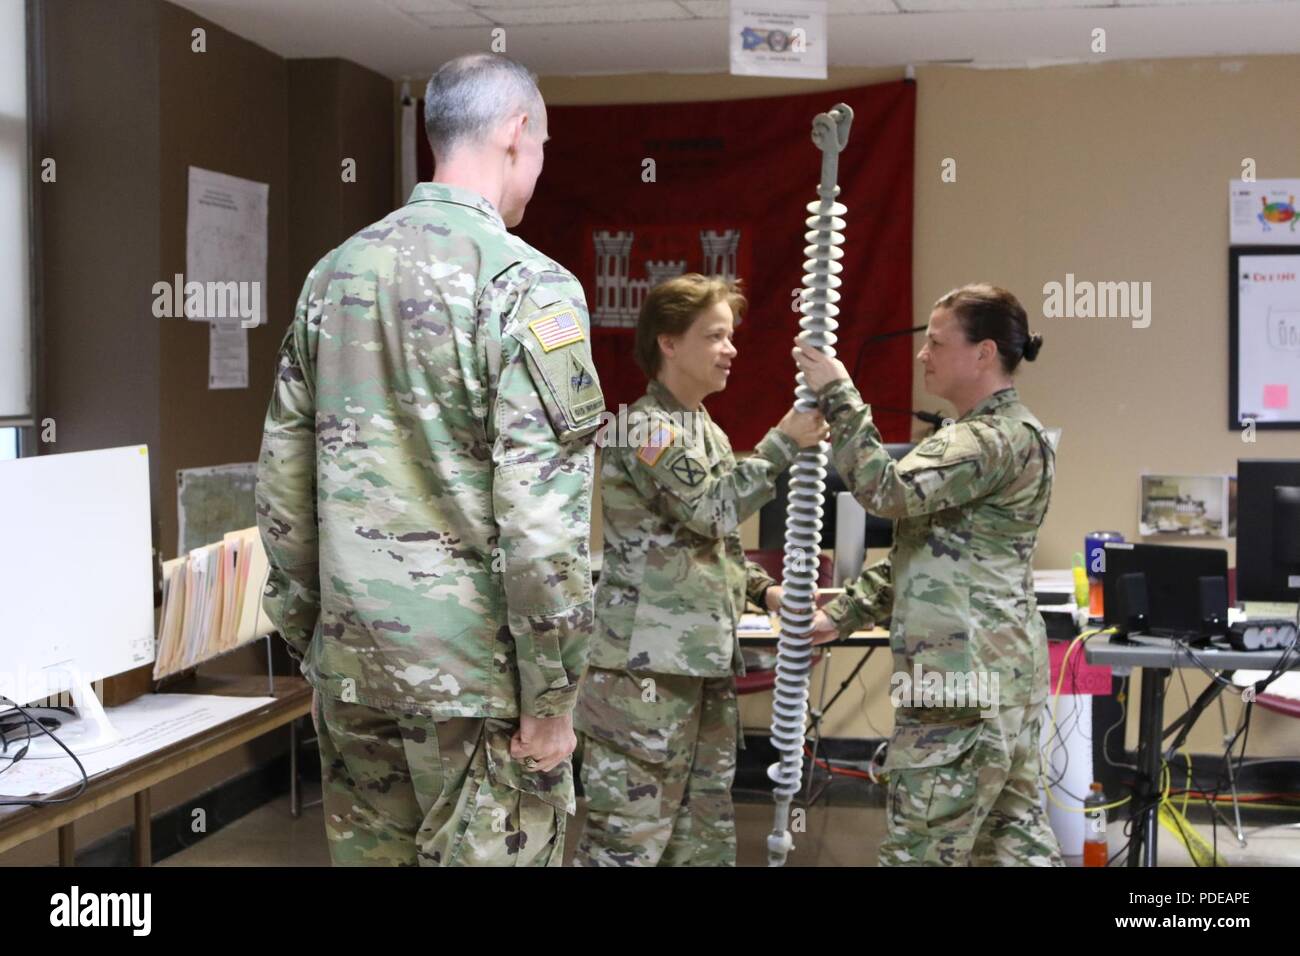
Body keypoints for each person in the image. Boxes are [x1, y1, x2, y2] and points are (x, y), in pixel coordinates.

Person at [255, 53, 603, 866]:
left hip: (356, 670)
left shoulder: (331, 277)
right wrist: (551, 698)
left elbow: (280, 488)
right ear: (517, 133)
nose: (540, 171)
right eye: (544, 146)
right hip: (479, 690)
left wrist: (316, 640)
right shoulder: (531, 288)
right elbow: (542, 527)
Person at [793, 283, 1063, 867]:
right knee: (1012, 844)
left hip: (960, 687)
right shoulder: (1001, 434)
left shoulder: (988, 439)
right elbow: (926, 555)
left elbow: (884, 490)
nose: (923, 355)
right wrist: (840, 614)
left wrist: (838, 392)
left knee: (920, 849)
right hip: (1001, 680)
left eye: (937, 343)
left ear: (984, 352)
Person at [573, 274, 828, 866]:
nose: (731, 349)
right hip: (644, 677)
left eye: (730, 336)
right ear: (668, 342)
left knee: (701, 845)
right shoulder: (643, 428)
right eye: (715, 336)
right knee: (627, 846)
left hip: (699, 668)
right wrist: (782, 443)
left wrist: (764, 593)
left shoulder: (703, 428)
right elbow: (712, 508)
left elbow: (717, 547)